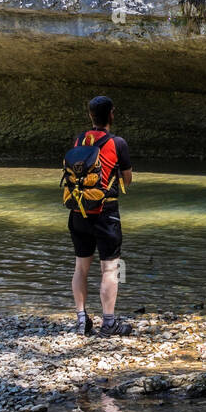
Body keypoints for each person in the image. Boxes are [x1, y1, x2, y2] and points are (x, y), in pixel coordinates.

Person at [68, 95, 134, 337]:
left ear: (90, 116)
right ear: (112, 115)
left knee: (80, 268)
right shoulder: (118, 143)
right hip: (106, 214)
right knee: (110, 269)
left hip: (78, 211)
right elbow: (127, 178)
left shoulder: (78, 140)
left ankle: (82, 319)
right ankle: (108, 323)